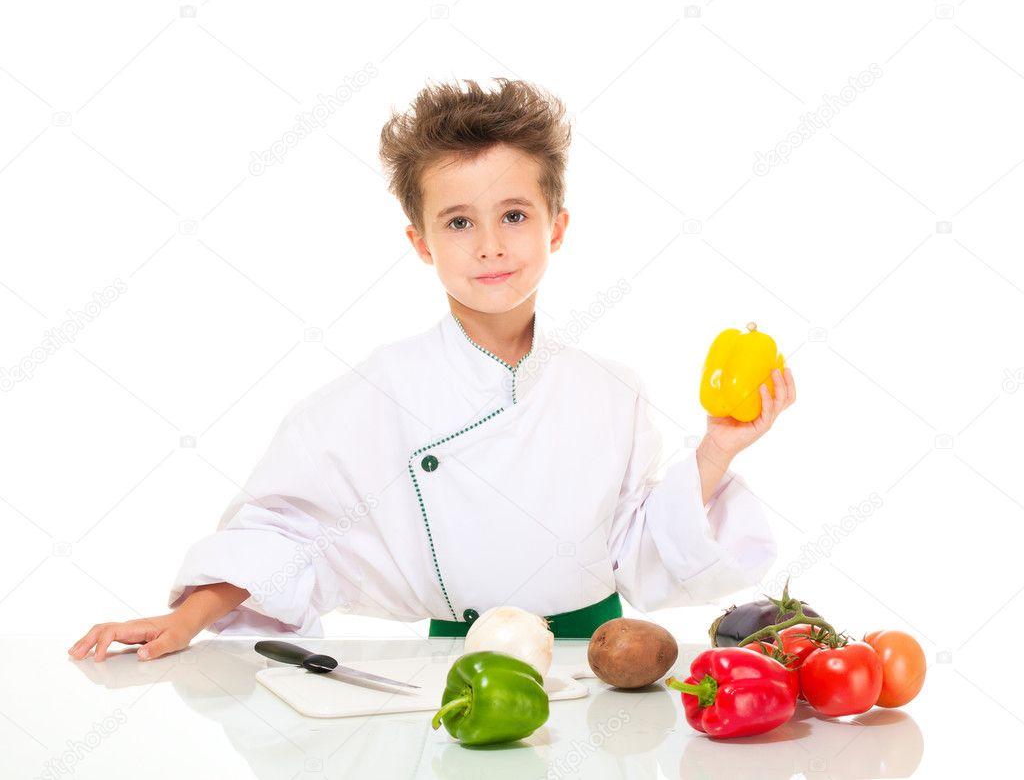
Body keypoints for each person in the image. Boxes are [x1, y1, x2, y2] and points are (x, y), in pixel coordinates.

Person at [68, 77, 796, 663]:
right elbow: (287, 534)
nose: (489, 245)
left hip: (598, 654)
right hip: (458, 660)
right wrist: (185, 621)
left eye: (514, 215)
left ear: (558, 227)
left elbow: (641, 549)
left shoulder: (610, 387)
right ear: (420, 242)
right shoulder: (379, 392)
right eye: (458, 222)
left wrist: (717, 449)